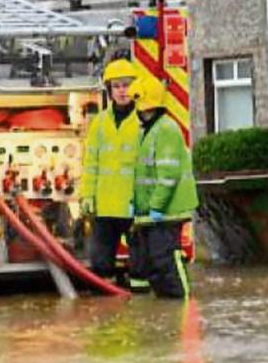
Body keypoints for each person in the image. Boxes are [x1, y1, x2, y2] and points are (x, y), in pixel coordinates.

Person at [127, 74, 199, 298]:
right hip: (151, 214)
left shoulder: (166, 129)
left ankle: (182, 306)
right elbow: (142, 174)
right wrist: (135, 204)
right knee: (153, 265)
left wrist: (156, 206)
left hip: (166, 213)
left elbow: (168, 175)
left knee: (165, 261)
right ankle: (166, 310)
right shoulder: (148, 131)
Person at [79, 58, 139, 281]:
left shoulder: (143, 120)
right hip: (105, 207)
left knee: (140, 266)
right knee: (101, 264)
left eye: (127, 84)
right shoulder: (100, 123)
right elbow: (91, 162)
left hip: (135, 206)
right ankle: (107, 311)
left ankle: (139, 305)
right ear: (110, 90)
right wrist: (87, 195)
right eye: (117, 86)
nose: (122, 91)